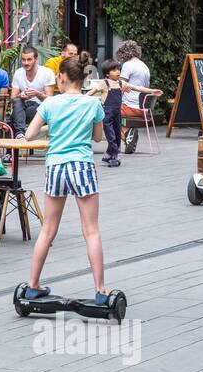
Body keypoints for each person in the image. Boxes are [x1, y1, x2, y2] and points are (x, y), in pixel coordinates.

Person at [20, 52, 109, 305]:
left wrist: (52, 126)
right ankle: (100, 290)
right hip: (81, 165)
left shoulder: (49, 104)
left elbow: (29, 135)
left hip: (56, 166)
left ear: (60, 77)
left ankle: (33, 284)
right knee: (91, 231)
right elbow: (98, 138)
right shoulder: (93, 105)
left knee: (48, 230)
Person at [10, 45, 55, 134]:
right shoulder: (18, 73)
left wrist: (37, 94)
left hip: (40, 109)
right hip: (23, 106)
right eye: (23, 60)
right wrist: (21, 96)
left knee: (14, 117)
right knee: (17, 102)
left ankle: (19, 135)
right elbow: (13, 97)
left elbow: (50, 100)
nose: (26, 63)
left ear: (36, 59)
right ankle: (19, 135)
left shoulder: (46, 73)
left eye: (29, 59)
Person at [116, 40, 152, 153]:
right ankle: (128, 132)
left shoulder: (128, 65)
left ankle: (126, 135)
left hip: (129, 108)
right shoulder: (145, 66)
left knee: (105, 113)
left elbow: (120, 87)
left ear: (123, 53)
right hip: (144, 110)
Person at [89, 59, 125, 167]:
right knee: (111, 136)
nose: (118, 72)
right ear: (107, 74)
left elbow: (136, 87)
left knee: (117, 135)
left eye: (118, 69)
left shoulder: (121, 83)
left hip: (117, 113)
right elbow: (92, 91)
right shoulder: (104, 83)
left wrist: (151, 91)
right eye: (114, 70)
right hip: (107, 114)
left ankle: (108, 154)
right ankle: (114, 155)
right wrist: (79, 99)